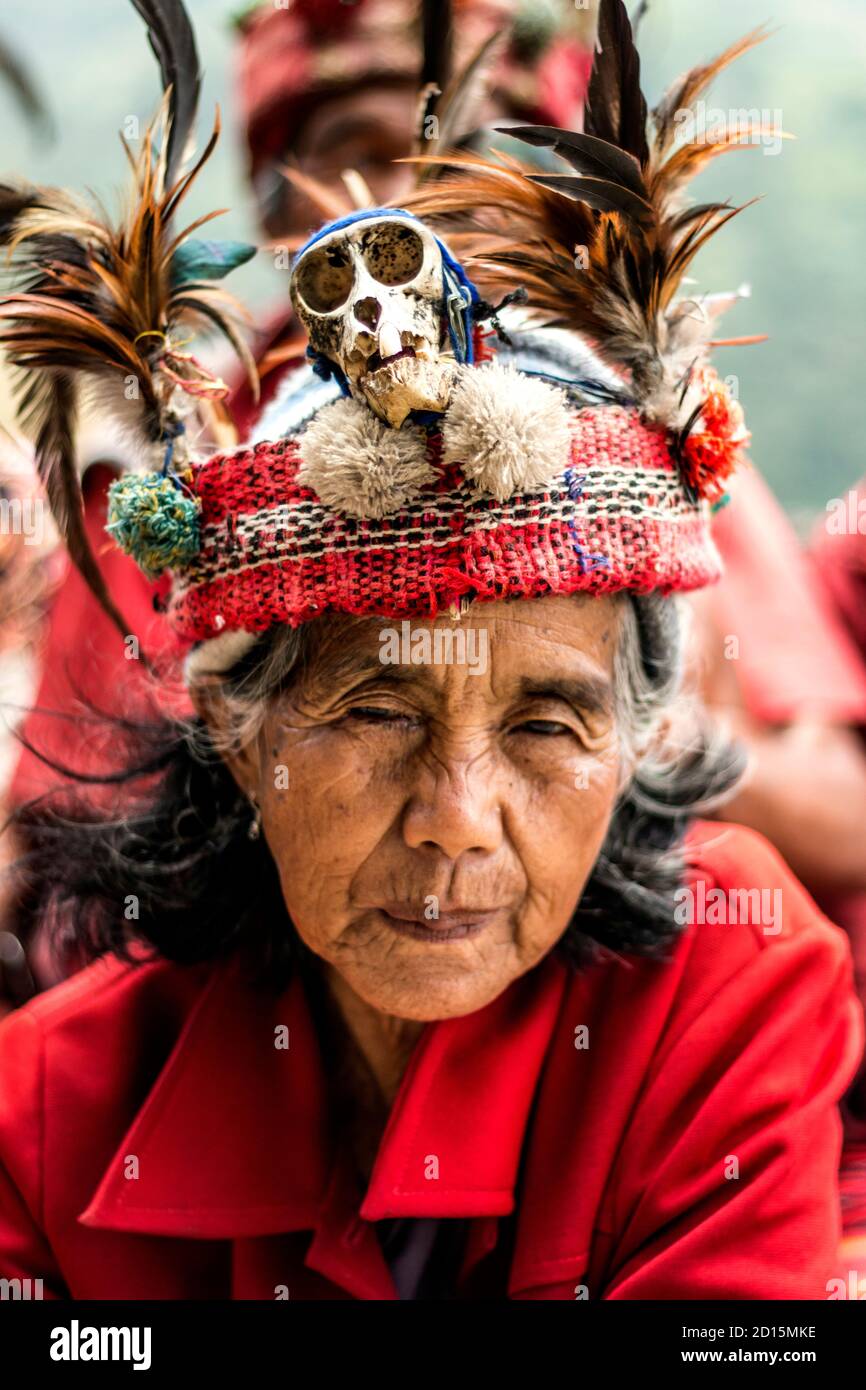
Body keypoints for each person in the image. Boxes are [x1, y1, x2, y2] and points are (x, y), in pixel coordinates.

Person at [0, 1, 861, 1300]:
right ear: (229, 724)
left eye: (543, 722)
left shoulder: (628, 470)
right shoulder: (48, 1106)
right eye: (376, 711)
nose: (458, 819)